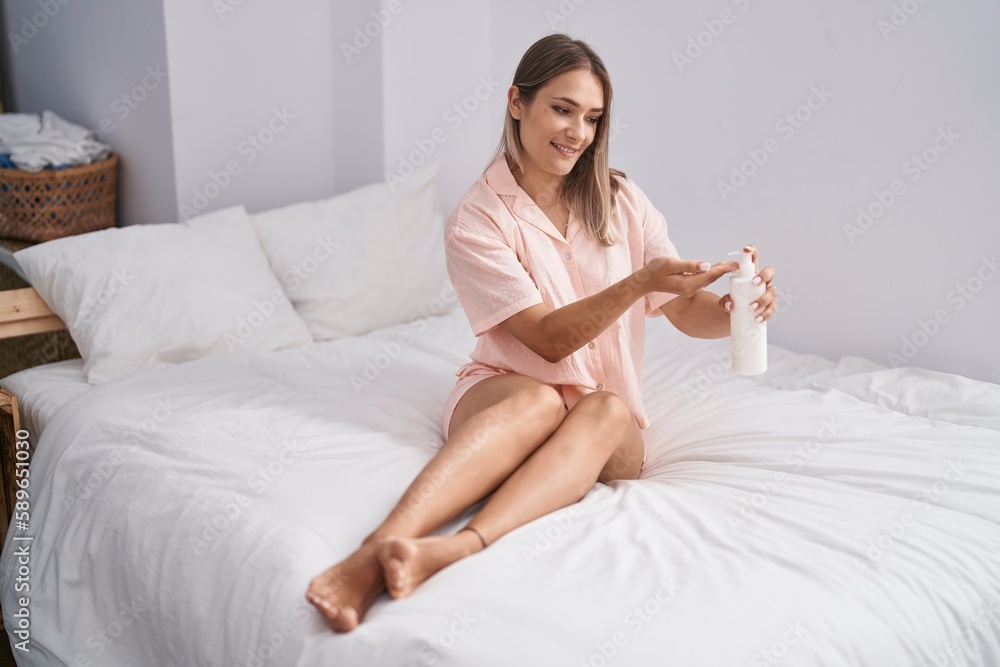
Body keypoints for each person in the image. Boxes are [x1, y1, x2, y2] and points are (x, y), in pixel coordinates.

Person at [306, 32, 778, 632]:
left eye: (592, 118)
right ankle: (373, 554)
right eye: (562, 108)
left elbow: (686, 311)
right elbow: (549, 342)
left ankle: (453, 548)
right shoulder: (479, 219)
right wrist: (638, 282)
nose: (577, 132)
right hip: (507, 389)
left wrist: (743, 309)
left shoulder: (622, 200)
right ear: (516, 102)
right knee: (537, 396)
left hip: (601, 415)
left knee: (606, 408)